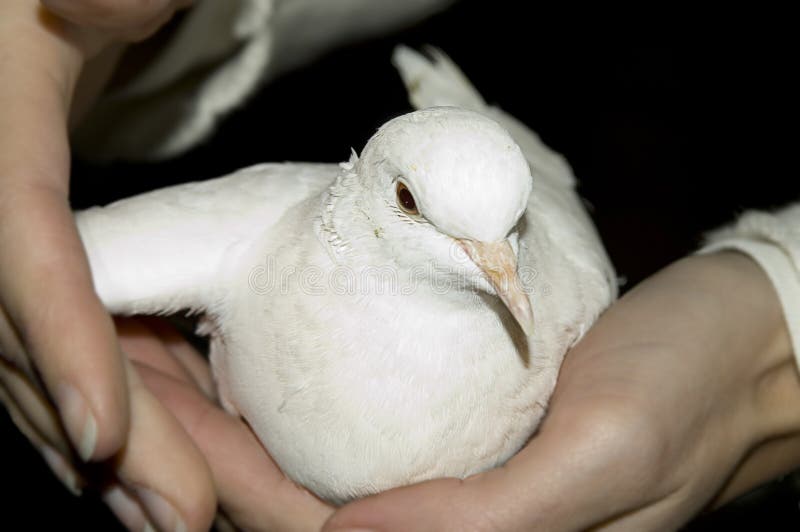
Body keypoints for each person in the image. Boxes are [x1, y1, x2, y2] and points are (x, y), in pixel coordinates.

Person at [2, 2, 797, 532]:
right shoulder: (250, 246)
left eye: (508, 233)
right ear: (385, 192)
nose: (501, 269)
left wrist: (773, 339)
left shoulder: (573, 289)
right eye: (416, 206)